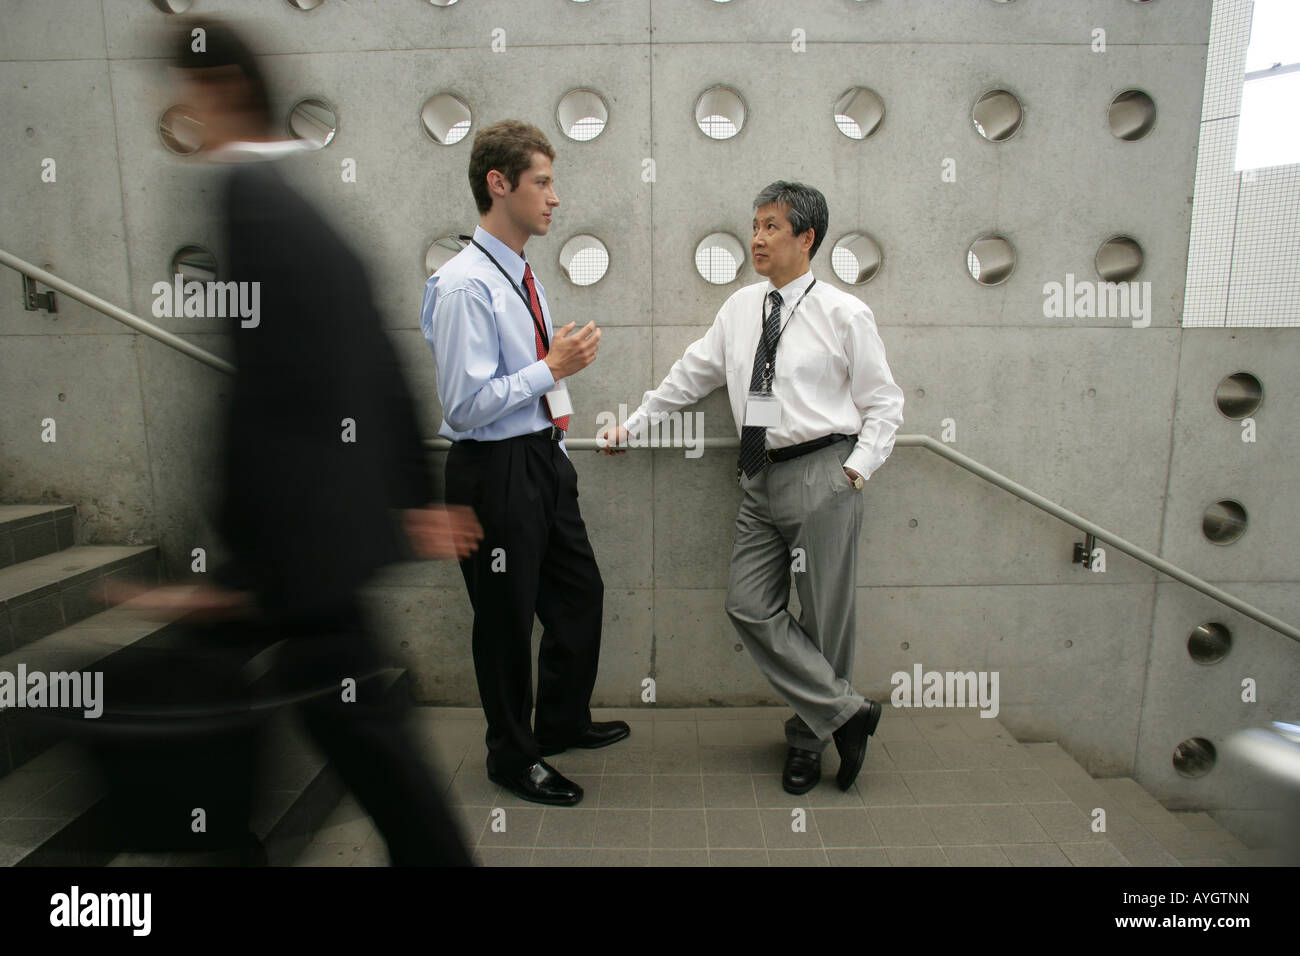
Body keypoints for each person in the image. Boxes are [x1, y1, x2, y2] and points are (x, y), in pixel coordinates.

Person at [160, 18, 480, 865]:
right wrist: (415, 491)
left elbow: (267, 388)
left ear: (223, 87)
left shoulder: (248, 200)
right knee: (364, 742)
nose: (178, 115)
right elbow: (375, 351)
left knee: (373, 754)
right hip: (326, 536)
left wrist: (235, 564)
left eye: (186, 92)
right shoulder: (306, 206)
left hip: (298, 544)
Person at [600, 182, 904, 795]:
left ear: (806, 238)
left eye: (771, 226)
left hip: (824, 471)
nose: (757, 237)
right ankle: (848, 714)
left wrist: (858, 467)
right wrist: (634, 425)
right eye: (755, 225)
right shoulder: (740, 308)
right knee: (747, 603)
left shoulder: (845, 313)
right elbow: (691, 374)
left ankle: (807, 742)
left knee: (826, 620)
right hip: (758, 478)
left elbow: (885, 402)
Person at [420, 121, 628, 807]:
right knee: (506, 619)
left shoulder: (521, 271)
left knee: (579, 594)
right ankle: (513, 756)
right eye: (542, 181)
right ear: (498, 183)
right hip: (493, 468)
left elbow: (523, 376)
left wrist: (554, 430)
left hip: (541, 459)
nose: (555, 198)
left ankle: (560, 721)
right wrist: (549, 369)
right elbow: (464, 406)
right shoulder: (462, 286)